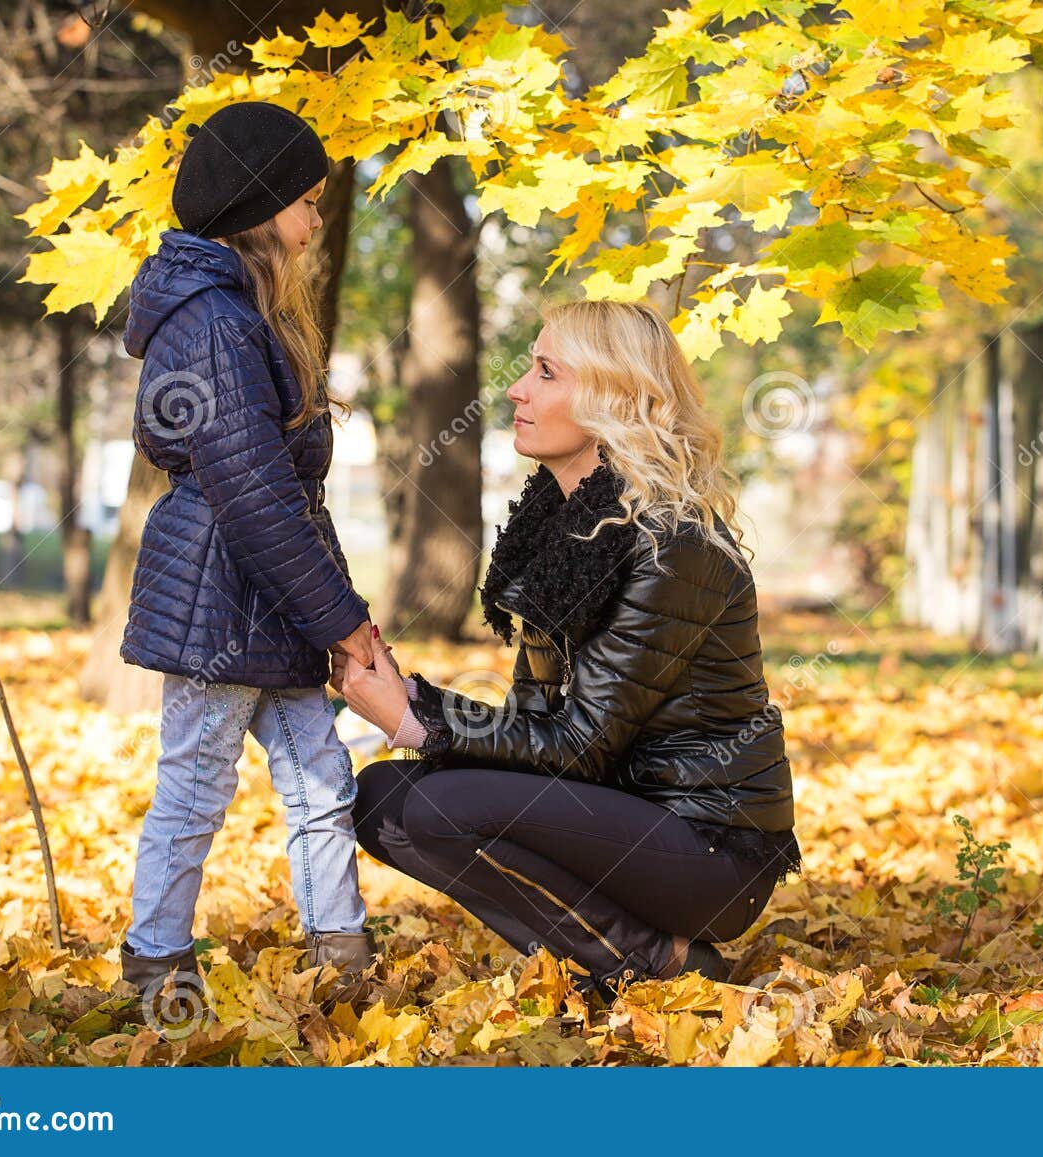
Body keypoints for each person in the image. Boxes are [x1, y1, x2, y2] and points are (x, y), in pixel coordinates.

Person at [337, 299, 800, 998]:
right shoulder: (563, 531)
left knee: (437, 808)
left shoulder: (671, 543)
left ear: (613, 398)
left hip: (709, 848)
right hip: (623, 812)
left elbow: (578, 746)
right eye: (530, 368)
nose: (517, 389)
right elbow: (535, 729)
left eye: (546, 372)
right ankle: (626, 950)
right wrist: (411, 705)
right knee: (384, 798)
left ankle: (648, 957)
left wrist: (415, 716)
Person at [116, 101, 377, 1003]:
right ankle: (155, 959)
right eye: (305, 202)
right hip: (221, 596)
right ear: (258, 209)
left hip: (274, 592)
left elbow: (277, 499)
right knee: (196, 783)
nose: (314, 221)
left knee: (320, 776)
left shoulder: (239, 314)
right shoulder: (215, 327)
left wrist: (331, 614)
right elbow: (257, 499)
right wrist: (343, 621)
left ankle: (338, 954)